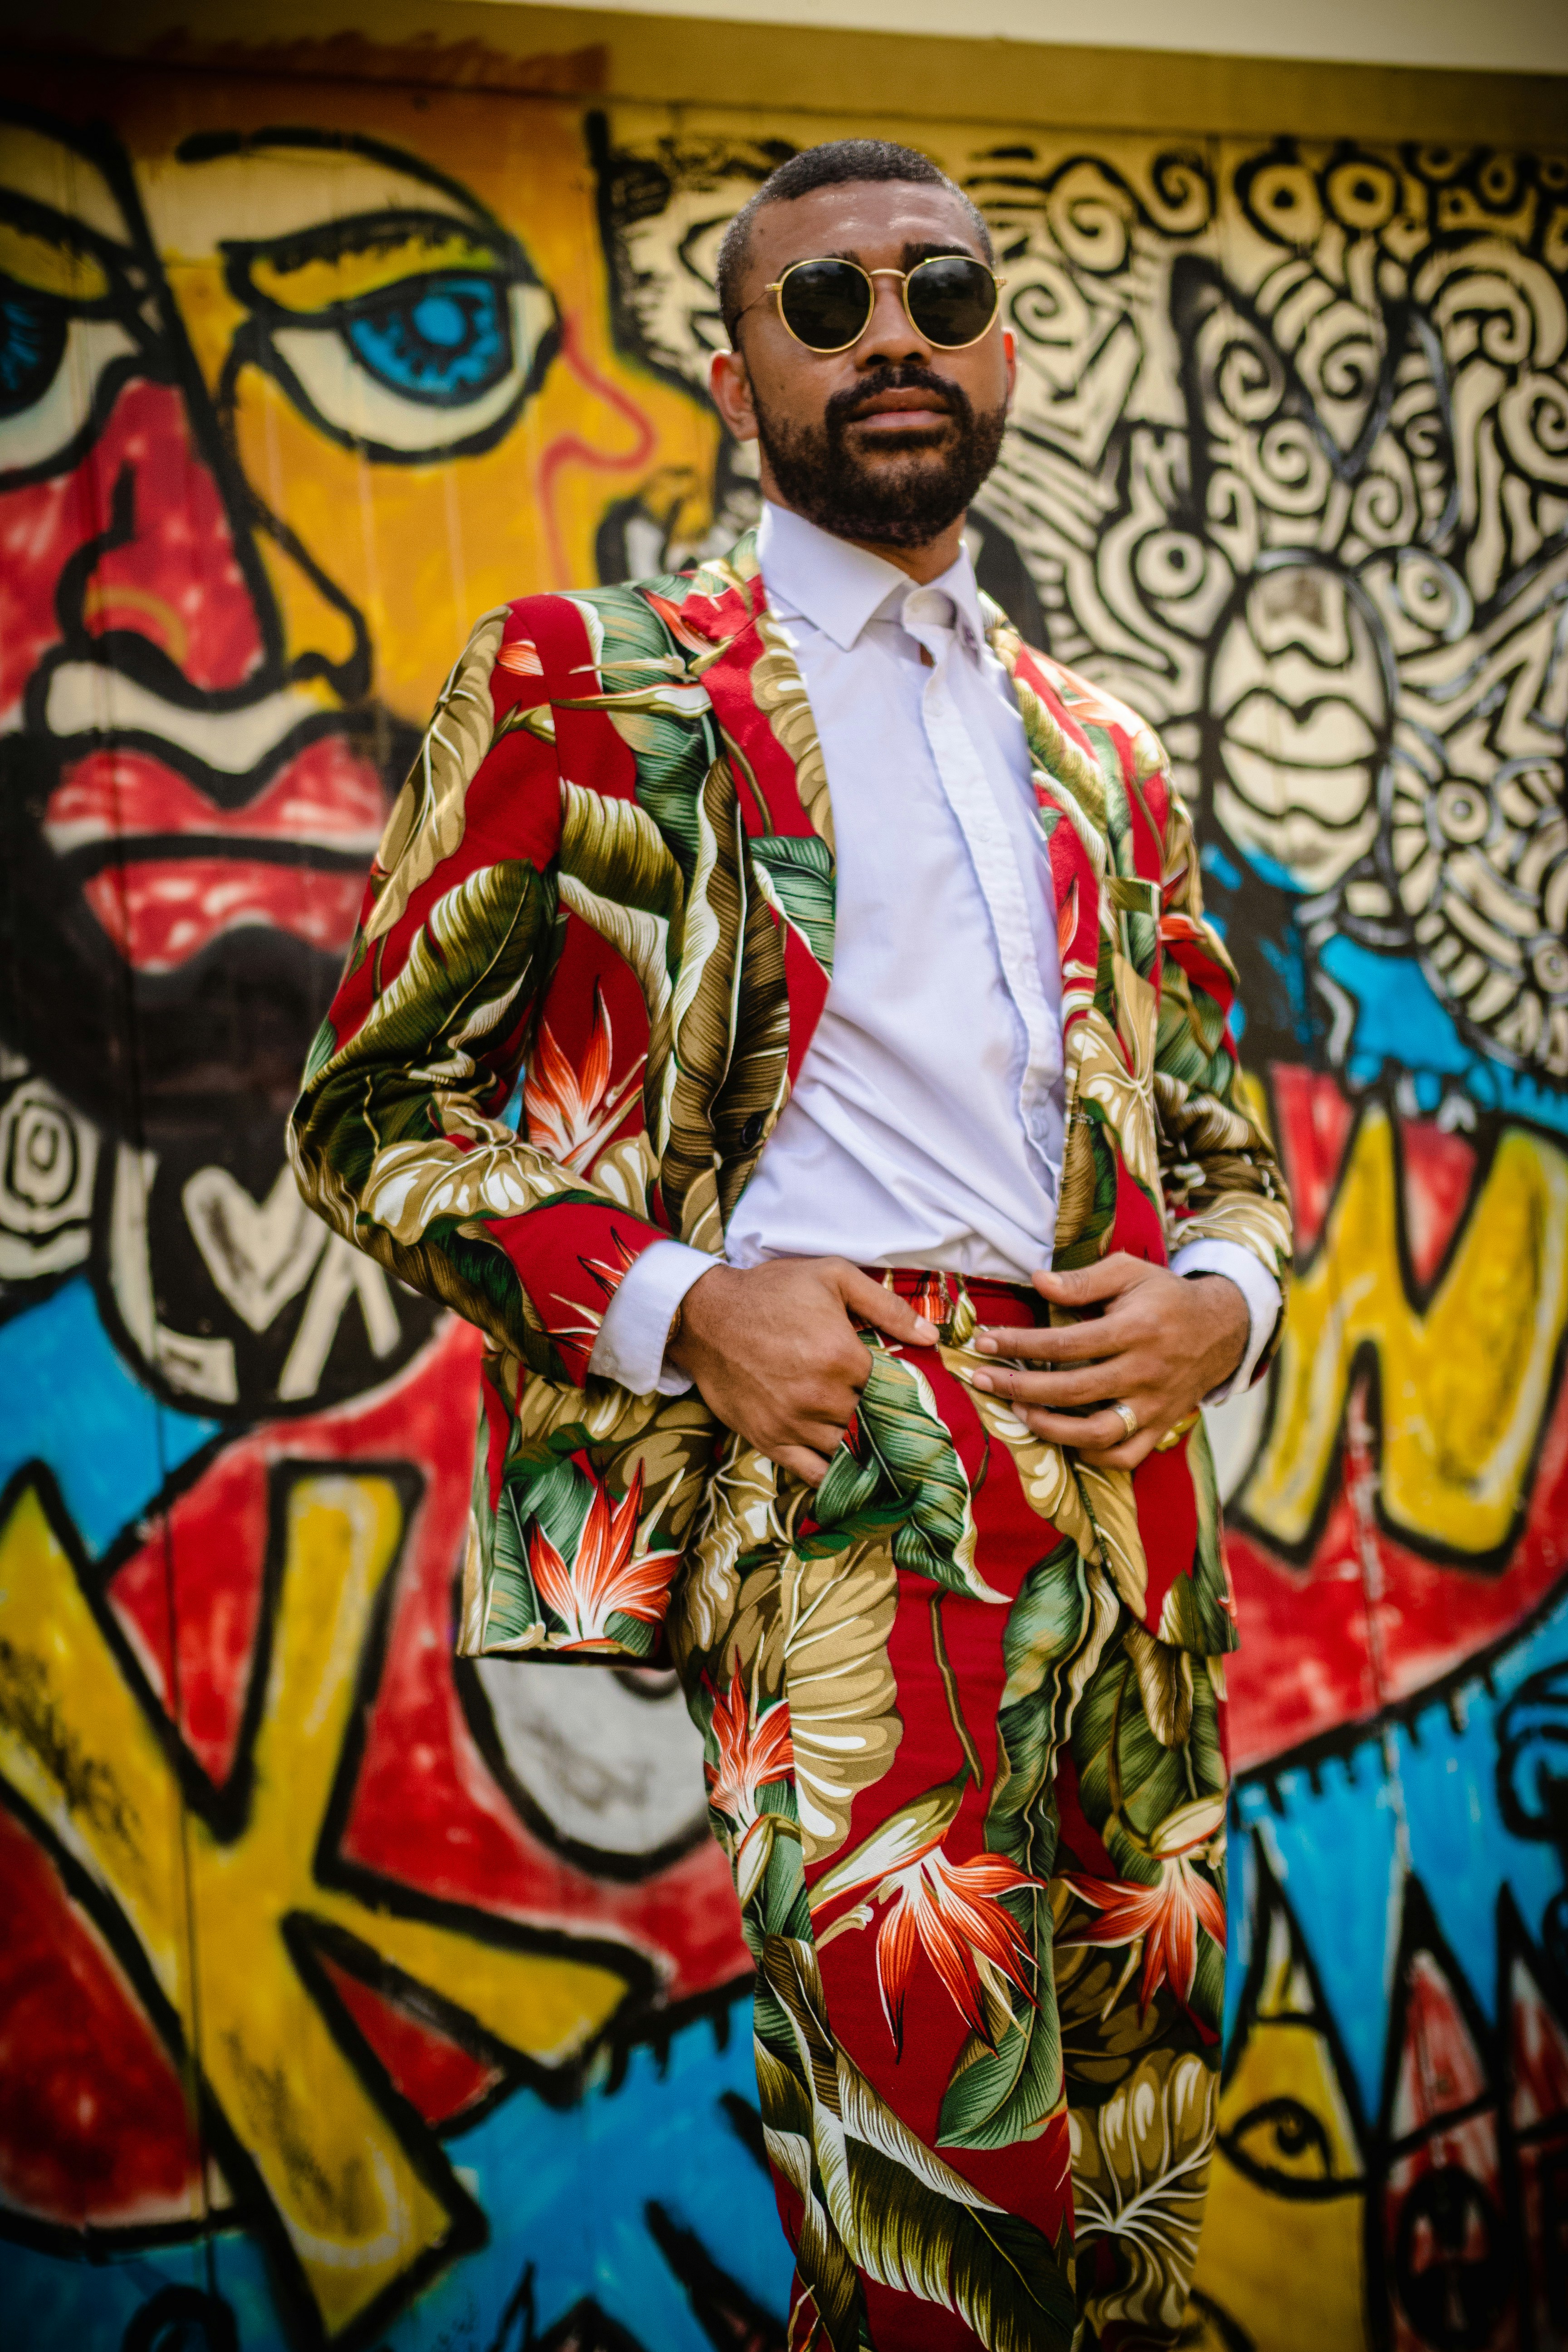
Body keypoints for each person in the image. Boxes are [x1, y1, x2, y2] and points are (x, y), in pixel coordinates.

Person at [290, 138, 1292, 2352]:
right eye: (826, 308)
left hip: (1129, 1499)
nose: (895, 338)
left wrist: (1224, 1306)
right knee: (931, 2206)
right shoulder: (582, 681)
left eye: (941, 292)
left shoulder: (1105, 749)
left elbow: (1231, 1141)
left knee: (1127, 2190)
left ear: (1008, 343)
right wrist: (679, 1310)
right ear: (740, 381)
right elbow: (368, 1112)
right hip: (842, 1482)